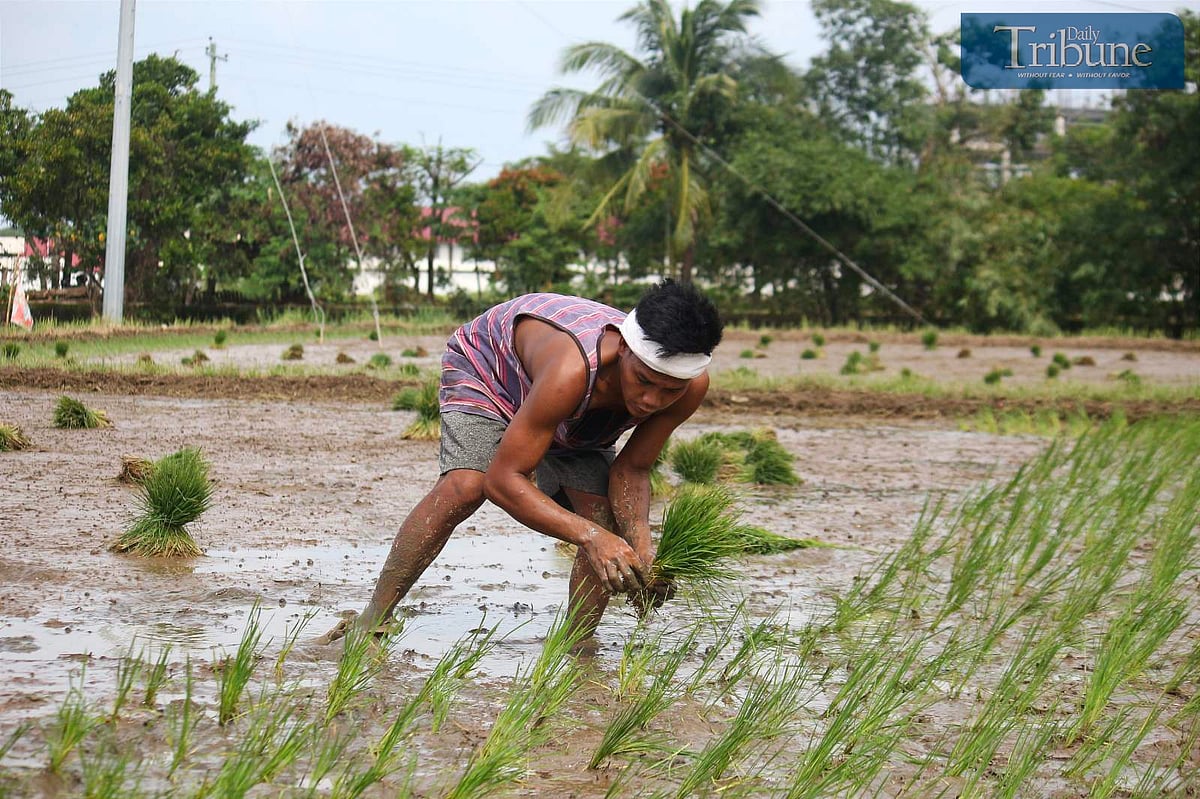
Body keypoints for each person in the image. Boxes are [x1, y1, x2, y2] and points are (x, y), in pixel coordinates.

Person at [324, 280, 723, 644]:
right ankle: (372, 621)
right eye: (644, 381)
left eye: (669, 390)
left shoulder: (689, 388)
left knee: (603, 515)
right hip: (493, 372)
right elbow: (502, 481)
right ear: (623, 347)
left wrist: (642, 551)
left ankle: (577, 641)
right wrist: (590, 538)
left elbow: (632, 469)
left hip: (574, 407)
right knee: (466, 485)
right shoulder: (573, 369)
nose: (651, 401)